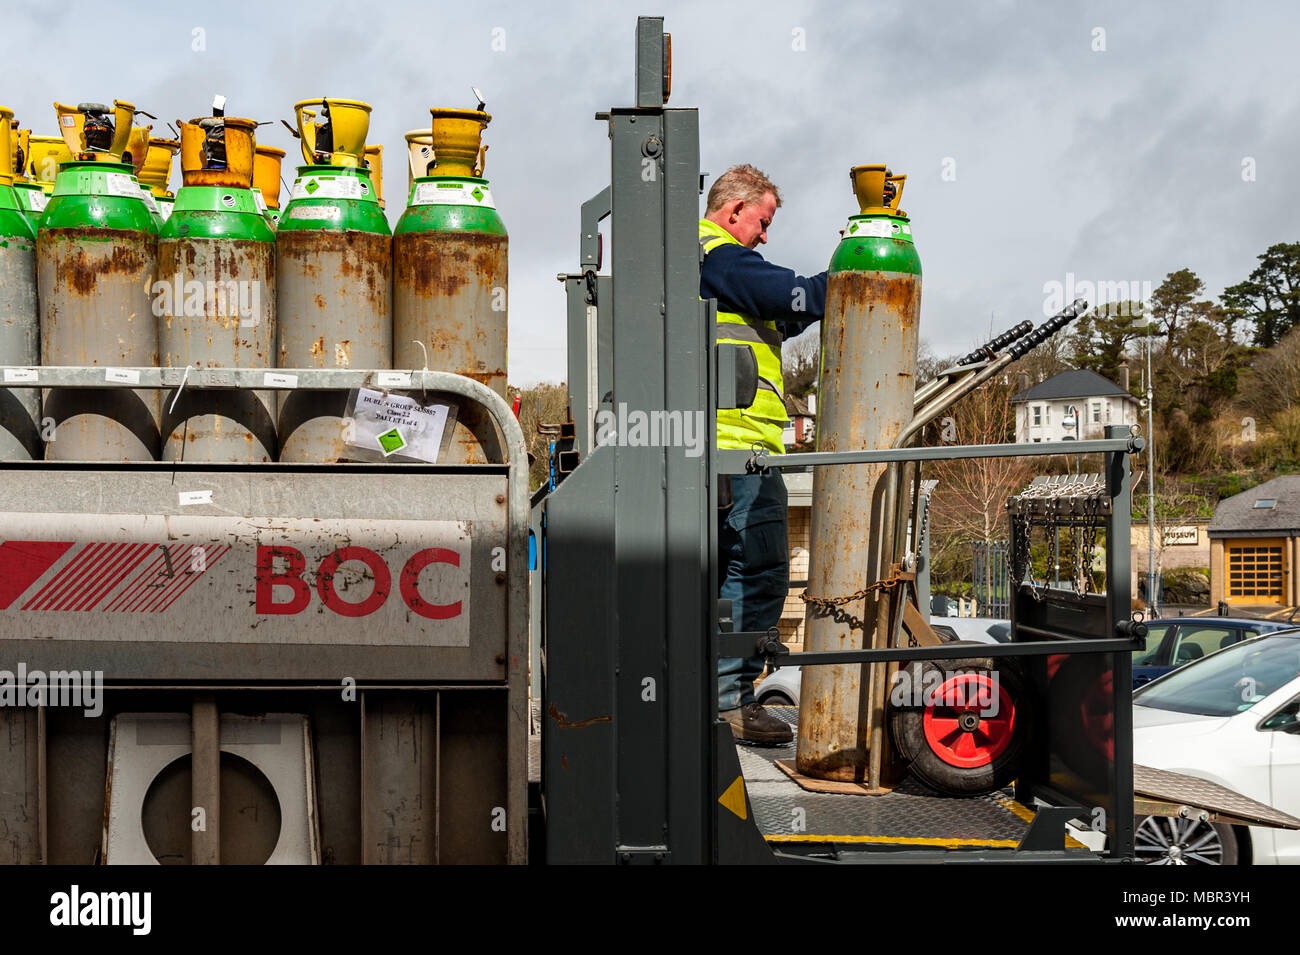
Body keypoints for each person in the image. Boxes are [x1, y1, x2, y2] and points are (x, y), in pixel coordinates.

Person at [700, 164, 827, 745]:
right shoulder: (720, 257)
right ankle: (731, 701)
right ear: (734, 211)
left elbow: (784, 311)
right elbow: (795, 293)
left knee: (721, 576)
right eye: (763, 221)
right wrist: (853, 268)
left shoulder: (703, 266)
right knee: (757, 572)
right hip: (741, 453)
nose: (765, 236)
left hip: (717, 452)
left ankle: (715, 696)